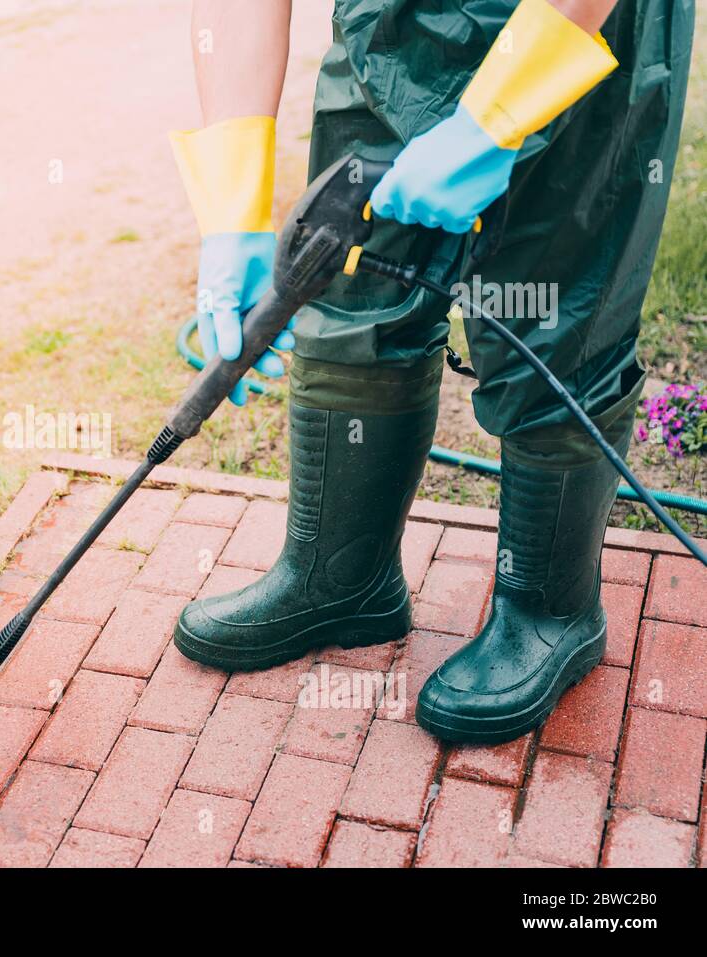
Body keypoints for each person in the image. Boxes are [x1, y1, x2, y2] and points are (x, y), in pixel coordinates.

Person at [168, 0, 694, 744]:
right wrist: (231, 210)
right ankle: (341, 579)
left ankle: (549, 612)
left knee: (555, 320)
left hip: (577, 25)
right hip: (391, 32)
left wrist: (495, 118)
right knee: (350, 293)